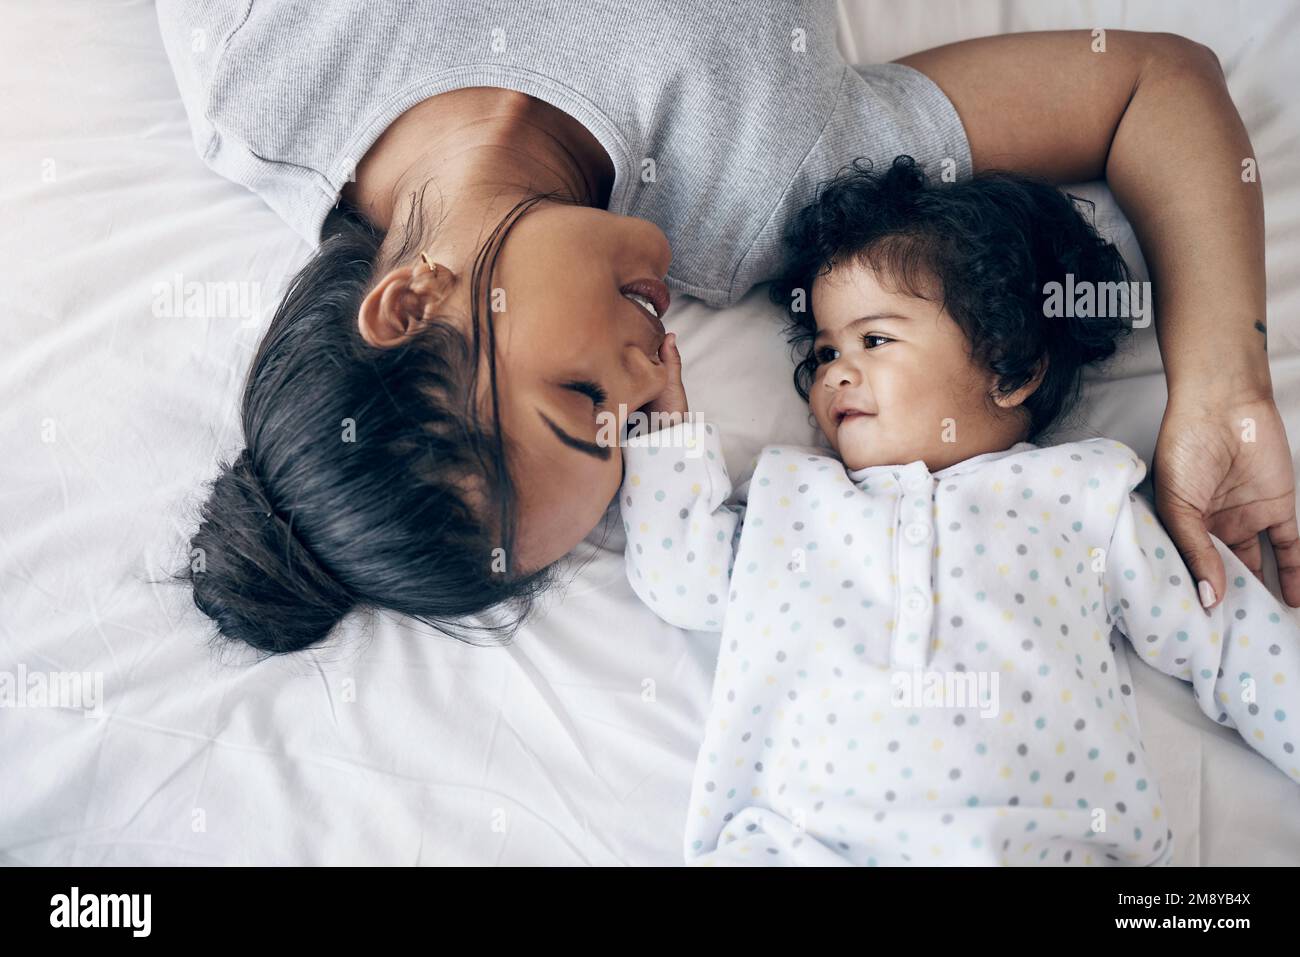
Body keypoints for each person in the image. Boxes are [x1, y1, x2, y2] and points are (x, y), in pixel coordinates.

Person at [155, 1, 1298, 654]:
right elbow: (1149, 85)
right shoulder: (768, 190)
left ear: (410, 303)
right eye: (633, 432)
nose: (656, 376)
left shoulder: (264, 68)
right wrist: (1226, 395)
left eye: (583, 401)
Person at [618, 157, 1300, 865]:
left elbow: (1228, 639)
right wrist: (664, 428)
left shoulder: (1082, 497)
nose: (836, 371)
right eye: (823, 352)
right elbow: (679, 576)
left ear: (1009, 367)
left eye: (874, 340)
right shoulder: (790, 499)